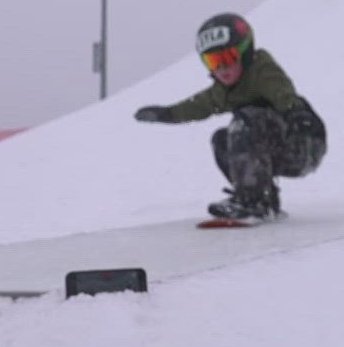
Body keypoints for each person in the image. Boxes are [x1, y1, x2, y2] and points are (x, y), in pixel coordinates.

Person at [134, 13, 327, 221]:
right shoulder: (224, 90)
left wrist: (295, 113)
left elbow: (281, 91)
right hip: (274, 148)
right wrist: (167, 114)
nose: (222, 69)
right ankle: (264, 198)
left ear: (244, 53)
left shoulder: (262, 70)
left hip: (303, 143)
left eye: (227, 58)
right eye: (213, 61)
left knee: (246, 121)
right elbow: (199, 106)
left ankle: (253, 200)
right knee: (222, 140)